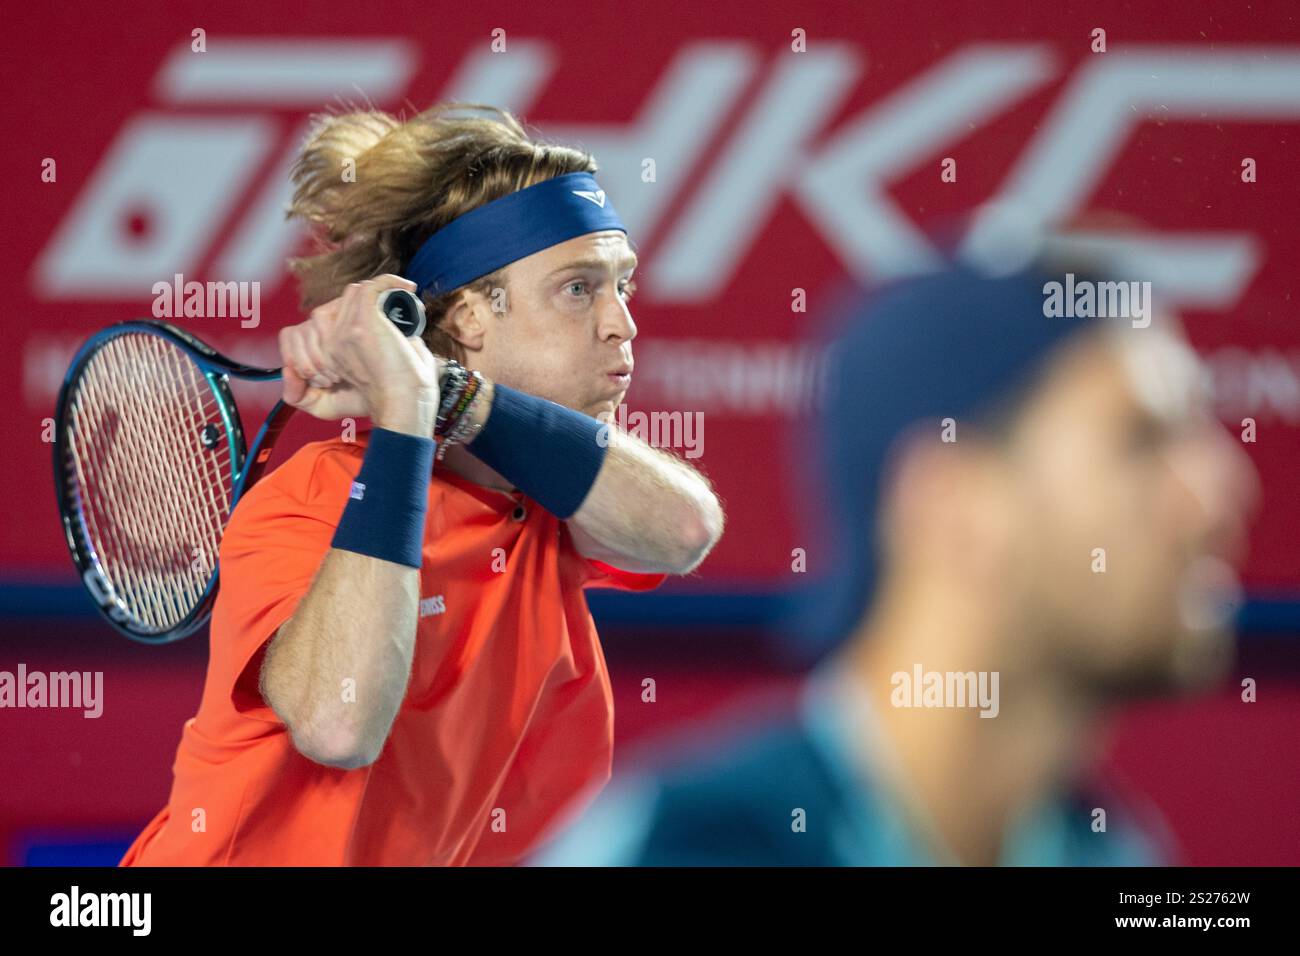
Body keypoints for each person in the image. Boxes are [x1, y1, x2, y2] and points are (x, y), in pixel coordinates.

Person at [119, 103, 724, 866]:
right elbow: (340, 725)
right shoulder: (306, 501)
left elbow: (686, 528)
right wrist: (405, 412)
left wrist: (443, 391)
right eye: (578, 289)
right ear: (470, 314)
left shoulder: (552, 515)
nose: (621, 324)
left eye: (623, 287)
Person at [529, 256, 1259, 866]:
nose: (1224, 491)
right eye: (1142, 440)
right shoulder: (683, 849)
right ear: (953, 508)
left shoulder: (1119, 858)